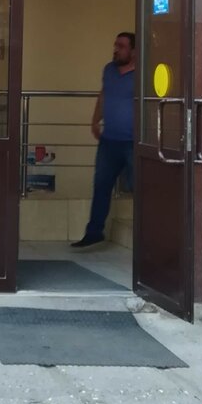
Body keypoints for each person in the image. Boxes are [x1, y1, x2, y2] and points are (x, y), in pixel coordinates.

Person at [71, 32, 136, 249]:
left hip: (133, 143)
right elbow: (103, 95)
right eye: (115, 45)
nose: (116, 49)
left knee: (137, 187)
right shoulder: (109, 70)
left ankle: (148, 235)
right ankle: (94, 232)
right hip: (109, 141)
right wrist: (95, 120)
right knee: (101, 185)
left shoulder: (143, 74)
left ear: (134, 51)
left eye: (121, 46)